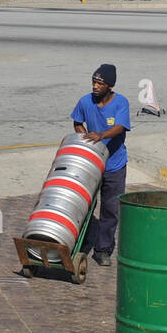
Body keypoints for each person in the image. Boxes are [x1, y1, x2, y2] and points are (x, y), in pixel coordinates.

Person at [72, 64, 130, 267]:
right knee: (84, 205)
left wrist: (101, 136)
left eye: (100, 83)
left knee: (110, 209)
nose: (95, 86)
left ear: (110, 85)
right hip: (91, 165)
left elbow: (120, 127)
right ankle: (80, 243)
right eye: (93, 82)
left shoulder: (121, 103)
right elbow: (77, 121)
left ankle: (103, 249)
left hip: (114, 165)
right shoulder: (85, 101)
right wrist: (83, 137)